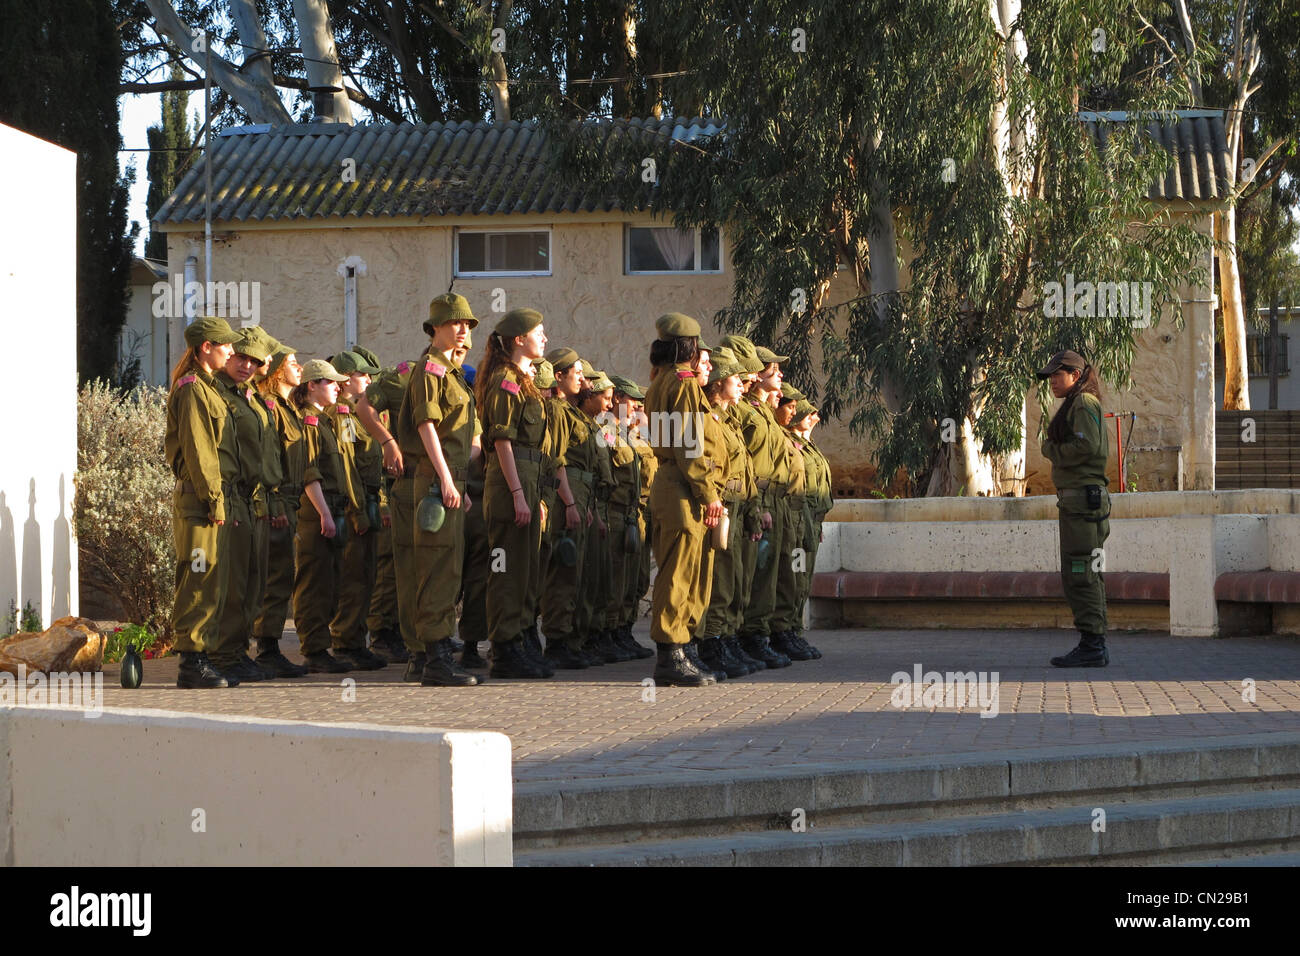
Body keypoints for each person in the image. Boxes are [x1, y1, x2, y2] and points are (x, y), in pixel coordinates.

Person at [396, 293, 483, 686]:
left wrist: (458, 482)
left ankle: (437, 653)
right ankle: (434, 657)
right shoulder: (430, 369)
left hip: (449, 481)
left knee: (448, 570)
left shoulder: (451, 374)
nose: (463, 329)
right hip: (435, 481)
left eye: (467, 324)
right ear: (435, 328)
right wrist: (447, 478)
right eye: (455, 323)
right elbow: (426, 426)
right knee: (434, 570)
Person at [644, 312, 726, 687]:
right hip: (682, 485)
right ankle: (671, 653)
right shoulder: (685, 383)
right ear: (690, 346)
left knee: (678, 568)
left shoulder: (660, 382)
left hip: (668, 479)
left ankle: (680, 647)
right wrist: (707, 492)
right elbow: (689, 446)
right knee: (681, 571)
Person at [476, 307, 554, 679]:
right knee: (505, 567)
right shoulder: (505, 379)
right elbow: (502, 441)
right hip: (510, 487)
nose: (545, 338)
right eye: (538, 332)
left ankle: (522, 638)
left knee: (525, 570)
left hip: (527, 482)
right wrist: (519, 494)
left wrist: (534, 495)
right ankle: (504, 648)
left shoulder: (525, 381)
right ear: (519, 339)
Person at [165, 316, 242, 689]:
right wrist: (214, 500)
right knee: (198, 576)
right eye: (224, 344)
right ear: (205, 347)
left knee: (211, 579)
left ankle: (204, 656)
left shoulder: (210, 388)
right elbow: (199, 453)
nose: (231, 350)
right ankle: (191, 662)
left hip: (209, 498)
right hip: (199, 500)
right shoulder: (193, 389)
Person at [208, 328, 281, 683]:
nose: (247, 365)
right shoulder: (217, 394)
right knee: (232, 582)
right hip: (232, 494)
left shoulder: (250, 396)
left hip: (256, 498)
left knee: (253, 581)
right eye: (241, 358)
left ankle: (238, 651)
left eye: (254, 361)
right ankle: (223, 654)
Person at [291, 358, 368, 673]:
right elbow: (309, 472)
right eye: (331, 382)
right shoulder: (309, 422)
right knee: (315, 584)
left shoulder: (323, 421)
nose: (339, 386)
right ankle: (314, 650)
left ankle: (322, 646)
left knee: (332, 581)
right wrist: (324, 513)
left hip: (333, 509)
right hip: (317, 512)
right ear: (312, 385)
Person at [1039, 350, 1112, 667]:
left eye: (1059, 374)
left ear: (1077, 375)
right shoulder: (1078, 404)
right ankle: (1091, 642)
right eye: (1051, 375)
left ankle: (1093, 645)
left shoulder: (1083, 403)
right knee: (1079, 572)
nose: (1053, 380)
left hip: (1084, 501)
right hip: (1078, 501)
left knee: (1082, 572)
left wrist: (1051, 449)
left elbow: (1088, 446)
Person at [696, 347, 760, 679]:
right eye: (735, 378)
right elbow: (706, 465)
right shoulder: (707, 417)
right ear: (719, 382)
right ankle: (711, 642)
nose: (742, 384)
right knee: (718, 580)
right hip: (719, 506)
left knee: (732, 579)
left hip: (735, 505)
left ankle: (724, 638)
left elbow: (744, 468)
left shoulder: (727, 418)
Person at [251, 342, 311, 677]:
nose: (298, 367)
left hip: (290, 500)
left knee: (282, 576)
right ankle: (266, 647)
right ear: (276, 372)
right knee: (274, 578)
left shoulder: (289, 409)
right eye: (292, 362)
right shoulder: (271, 407)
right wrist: (273, 502)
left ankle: (269, 645)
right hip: (277, 501)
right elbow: (268, 459)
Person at [328, 350, 389, 670]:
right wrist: (357, 511)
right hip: (355, 507)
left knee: (367, 576)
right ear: (346, 379)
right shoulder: (343, 415)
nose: (368, 379)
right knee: (353, 577)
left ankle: (356, 639)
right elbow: (347, 466)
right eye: (362, 375)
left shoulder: (362, 413)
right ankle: (345, 640)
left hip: (368, 501)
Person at [540, 347, 597, 669]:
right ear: (558, 377)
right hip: (566, 494)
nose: (582, 379)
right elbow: (558, 460)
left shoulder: (573, 413)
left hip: (578, 492)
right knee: (562, 568)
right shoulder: (558, 411)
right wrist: (570, 502)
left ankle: (569, 638)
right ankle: (557, 640)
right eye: (575, 374)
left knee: (573, 570)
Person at [790, 400, 830, 658]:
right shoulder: (794, 446)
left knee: (802, 581)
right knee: (793, 580)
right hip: (798, 521)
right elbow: (798, 491)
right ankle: (786, 632)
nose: (815, 418)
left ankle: (793, 632)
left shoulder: (806, 446)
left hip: (810, 521)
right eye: (809, 414)